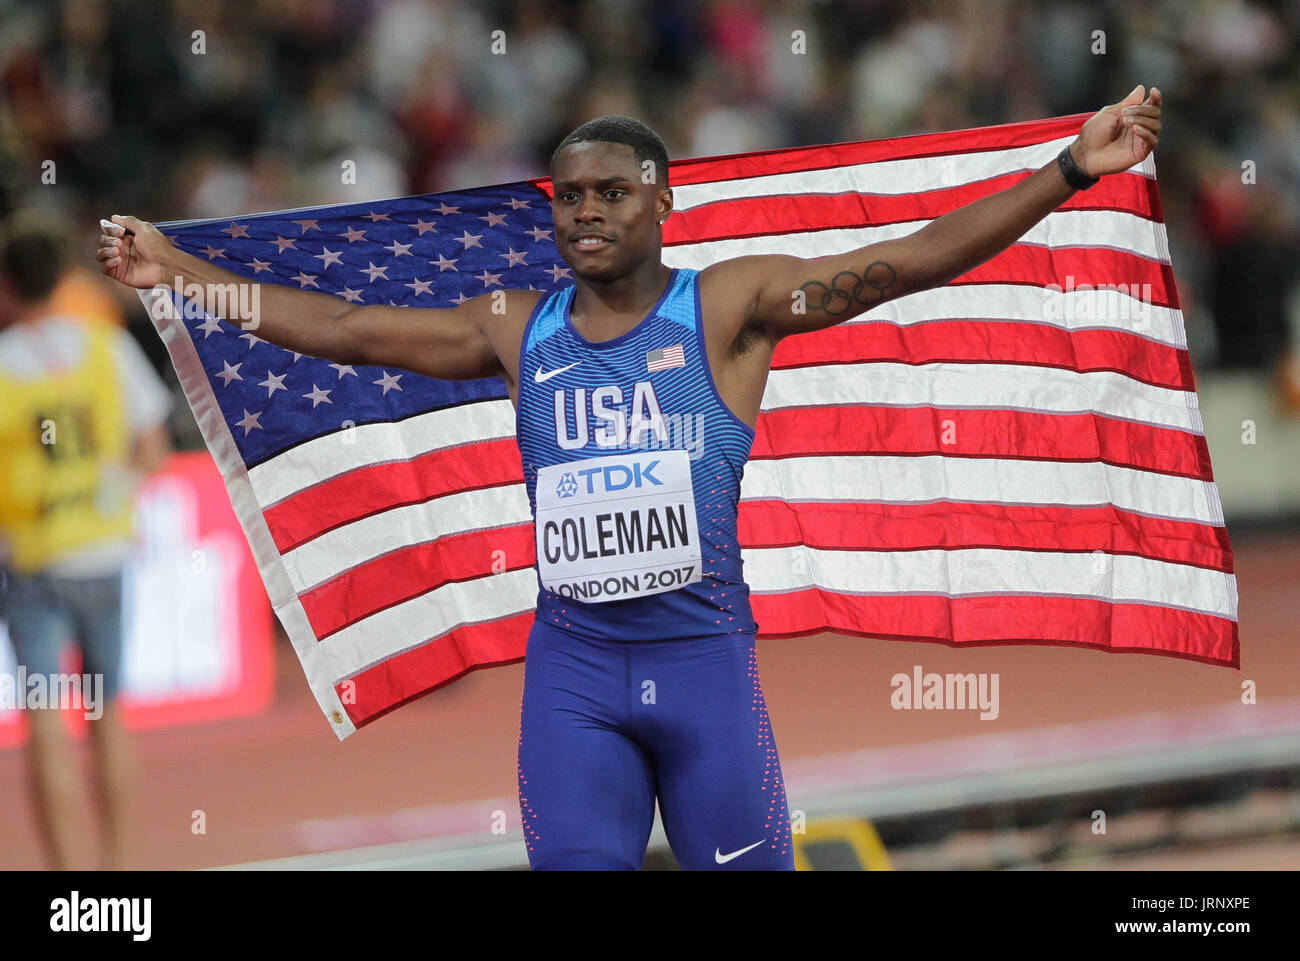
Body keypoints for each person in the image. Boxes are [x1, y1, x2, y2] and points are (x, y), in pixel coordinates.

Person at [98, 86, 1161, 870]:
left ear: (663, 203)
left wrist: (1069, 169)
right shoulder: (517, 326)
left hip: (700, 666)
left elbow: (912, 261)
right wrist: (176, 274)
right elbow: (343, 329)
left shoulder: (731, 306)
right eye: (567, 198)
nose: (584, 214)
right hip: (574, 678)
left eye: (611, 192)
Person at [1, 213, 172, 870]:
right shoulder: (105, 345)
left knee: (47, 725)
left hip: (35, 562)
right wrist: (110, 489)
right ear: (66, 278)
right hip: (105, 557)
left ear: (7, 288)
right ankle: (121, 870)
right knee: (110, 717)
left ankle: (70, 883)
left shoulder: (5, 366)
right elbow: (153, 447)